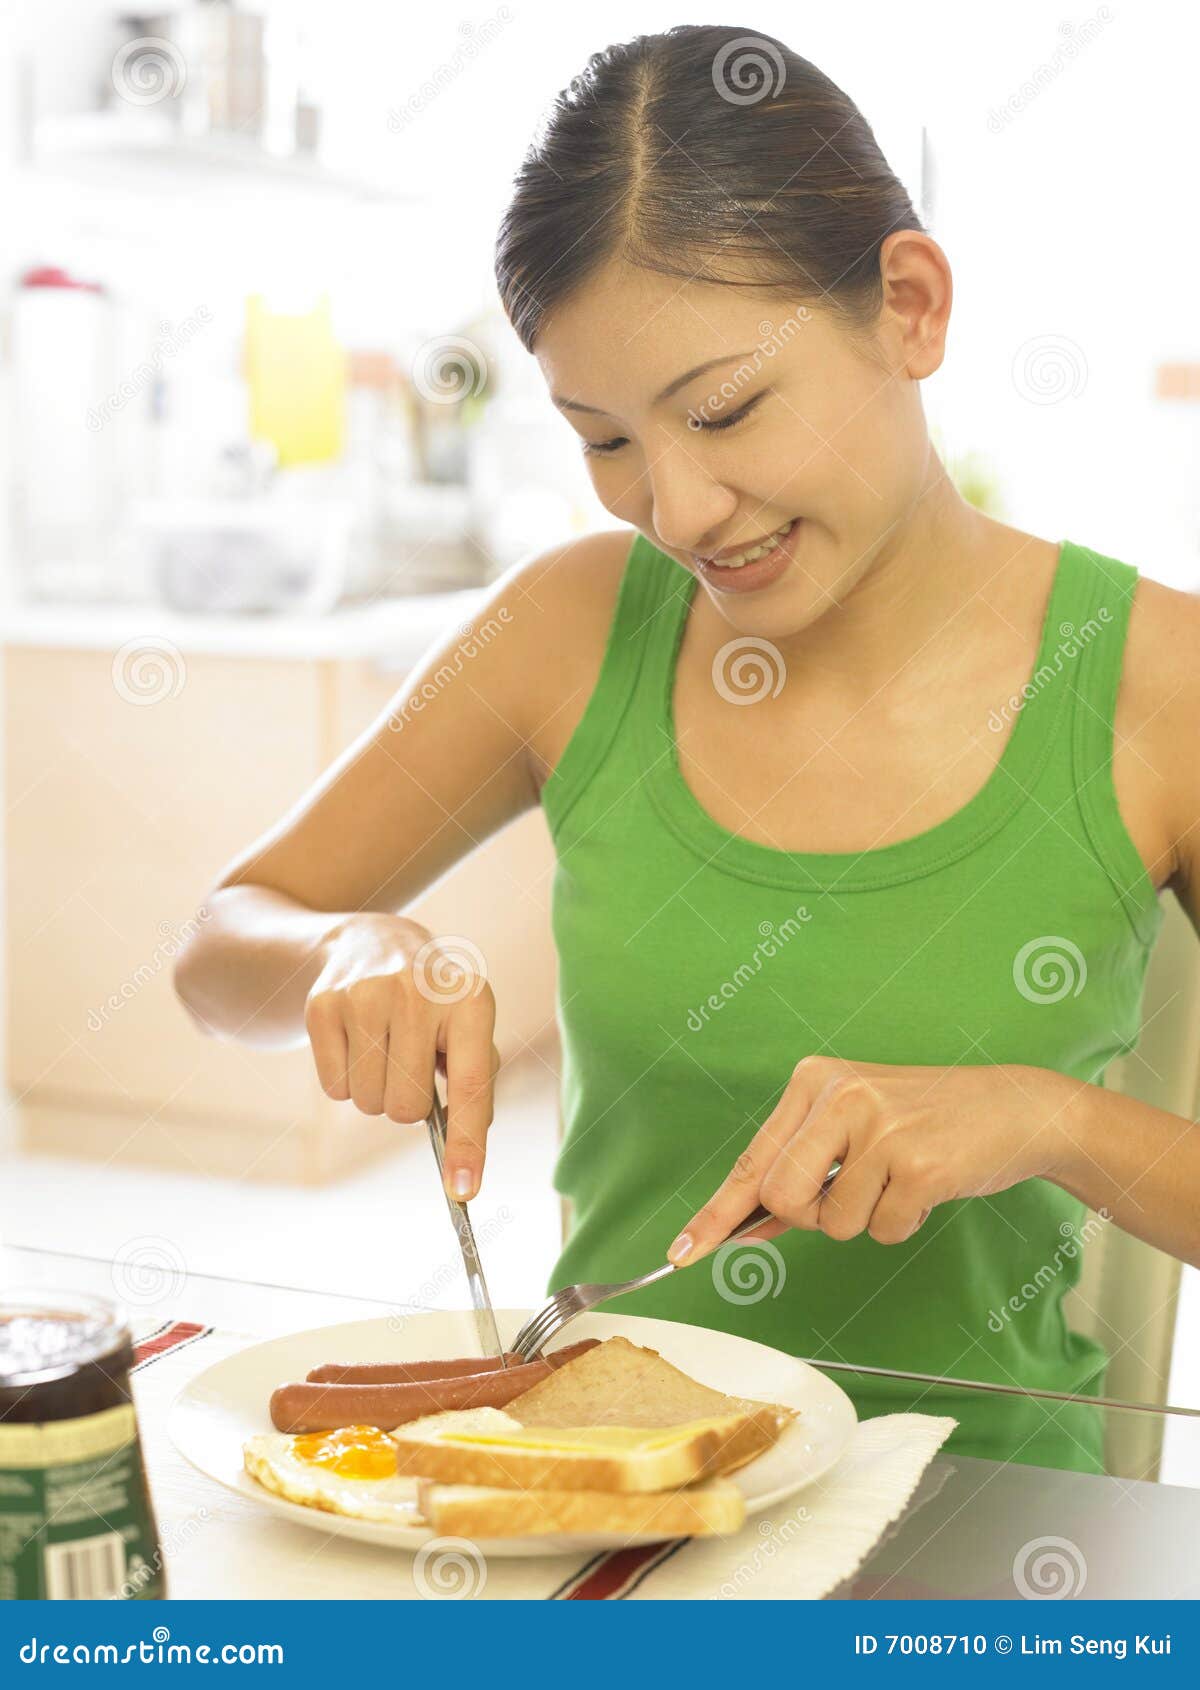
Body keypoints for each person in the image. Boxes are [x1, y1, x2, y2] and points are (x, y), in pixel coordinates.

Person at [174, 25, 1200, 1472]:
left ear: (908, 306)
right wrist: (340, 954)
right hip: (608, 1499)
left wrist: (1049, 1120)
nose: (679, 510)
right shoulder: (568, 629)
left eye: (725, 410)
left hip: (976, 1532)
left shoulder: (1162, 678)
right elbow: (221, 946)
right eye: (604, 441)